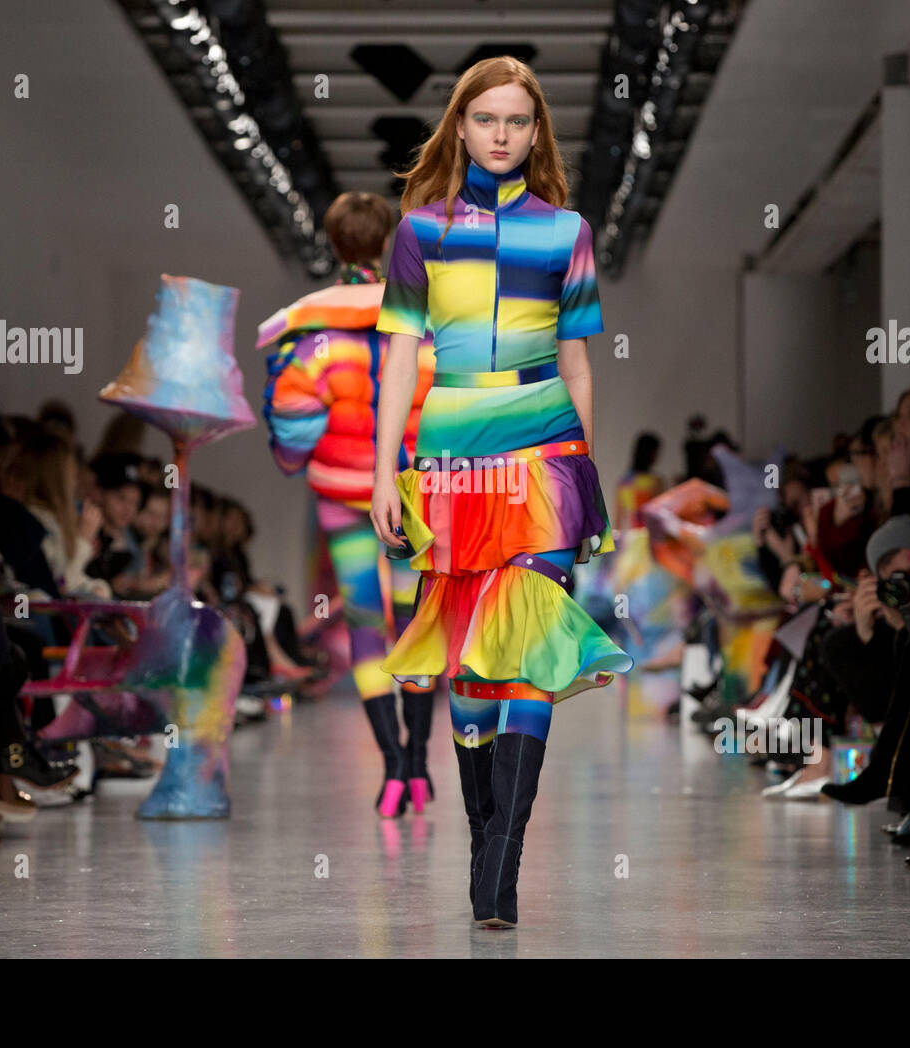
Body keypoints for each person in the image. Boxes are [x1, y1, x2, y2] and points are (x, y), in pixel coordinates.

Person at [369, 55, 634, 928]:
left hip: (545, 453)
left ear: (536, 132)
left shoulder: (567, 232)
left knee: (531, 652)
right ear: (460, 126)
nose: (503, 135)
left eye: (519, 121)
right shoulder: (418, 233)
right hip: (449, 461)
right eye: (487, 120)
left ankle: (504, 855)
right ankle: (486, 829)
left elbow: (576, 358)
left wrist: (584, 471)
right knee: (471, 665)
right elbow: (400, 355)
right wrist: (382, 475)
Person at [258, 188, 440, 818]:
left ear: (333, 243)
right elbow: (448, 408)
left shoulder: (309, 333)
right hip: (415, 497)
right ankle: (418, 764)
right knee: (416, 626)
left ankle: (391, 768)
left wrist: (293, 460)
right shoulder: (422, 323)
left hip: (342, 498)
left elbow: (291, 424)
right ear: (387, 239)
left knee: (367, 628)